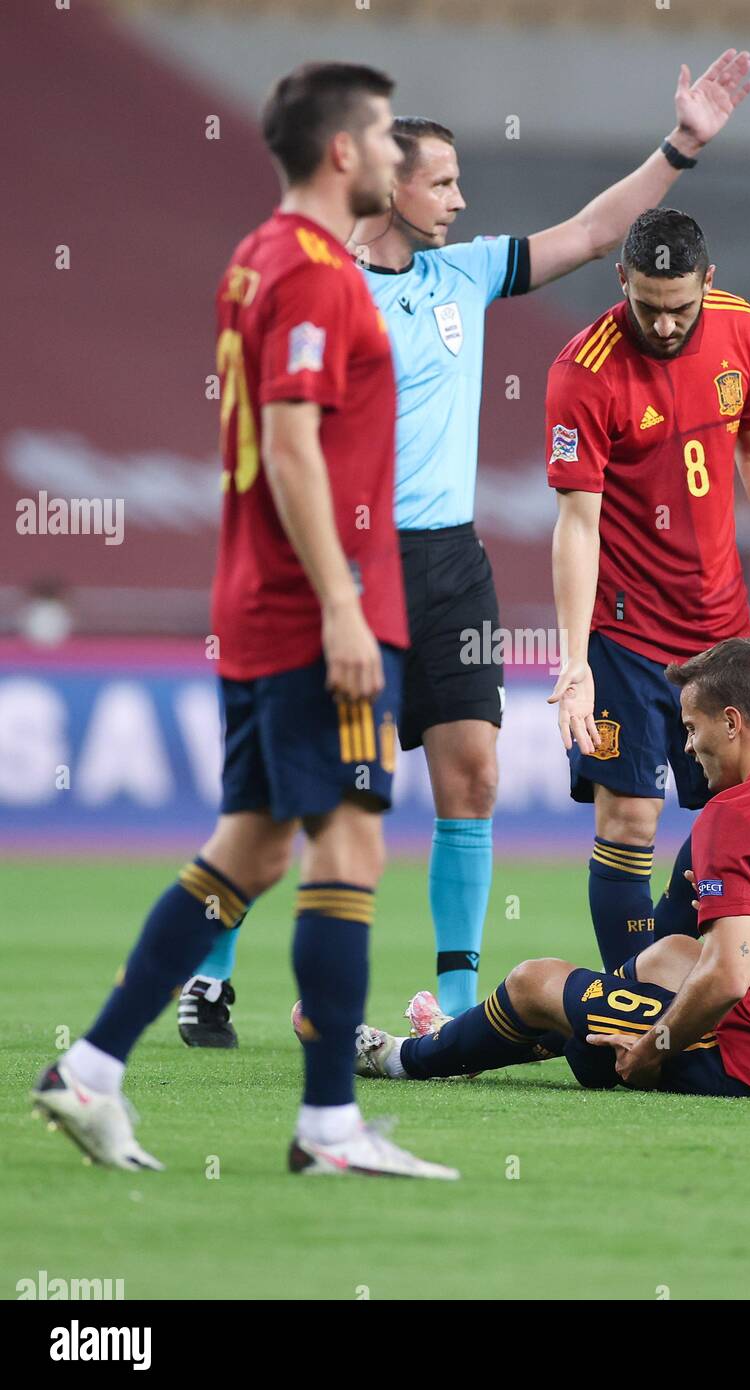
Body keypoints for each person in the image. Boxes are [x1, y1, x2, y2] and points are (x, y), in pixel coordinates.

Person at [187, 49, 750, 1041]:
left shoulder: (465, 271)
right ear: (389, 184)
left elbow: (589, 230)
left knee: (473, 775)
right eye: (442, 181)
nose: (459, 198)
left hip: (449, 566)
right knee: (295, 792)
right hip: (353, 564)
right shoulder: (327, 287)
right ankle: (211, 968)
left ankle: (455, 1000)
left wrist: (679, 148)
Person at [31, 61, 457, 1180]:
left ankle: (90, 1070)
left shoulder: (258, 258)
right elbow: (294, 442)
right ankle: (327, 1125)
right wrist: (341, 607)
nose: (397, 158)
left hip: (255, 601)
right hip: (314, 608)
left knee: (253, 844)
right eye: (380, 137)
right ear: (341, 155)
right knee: (351, 837)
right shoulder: (315, 274)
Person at [357, 639, 750, 1101]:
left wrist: (652, 1050)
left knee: (534, 981)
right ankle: (504, 1040)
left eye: (692, 728)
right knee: (670, 952)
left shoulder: (736, 814)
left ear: (734, 723)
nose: (688, 747)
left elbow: (728, 977)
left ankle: (404, 1058)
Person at [546, 207, 750, 970]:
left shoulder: (741, 326)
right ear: (620, 281)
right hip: (627, 636)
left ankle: (710, 990)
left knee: (736, 819)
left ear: (709, 280)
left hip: (721, 636)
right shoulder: (583, 372)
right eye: (646, 306)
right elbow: (576, 524)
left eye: (679, 307)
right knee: (630, 820)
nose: (664, 325)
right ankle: (627, 1003)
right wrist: (574, 661)